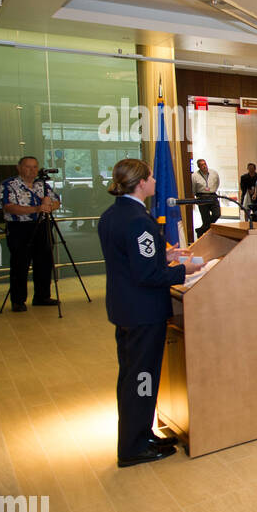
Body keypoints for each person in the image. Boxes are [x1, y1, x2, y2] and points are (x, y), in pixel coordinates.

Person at [98, 158, 201, 467]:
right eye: (152, 177)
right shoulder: (139, 220)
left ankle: (142, 433)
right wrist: (183, 270)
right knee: (141, 378)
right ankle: (133, 447)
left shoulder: (113, 214)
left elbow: (129, 259)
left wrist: (163, 255)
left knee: (132, 376)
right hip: (143, 312)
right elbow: (147, 275)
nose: (156, 181)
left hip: (125, 308)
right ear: (140, 183)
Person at [1, 155, 62, 311]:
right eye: (28, 167)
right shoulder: (9, 184)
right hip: (19, 228)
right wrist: (36, 209)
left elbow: (57, 201)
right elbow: (9, 207)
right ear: (19, 168)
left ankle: (42, 296)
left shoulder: (42, 184)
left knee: (44, 262)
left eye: (35, 167)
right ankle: (18, 301)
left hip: (42, 226)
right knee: (20, 264)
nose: (32, 170)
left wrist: (50, 206)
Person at [191, 158, 220, 237]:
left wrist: (213, 190)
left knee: (217, 214)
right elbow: (193, 187)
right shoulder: (194, 176)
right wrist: (195, 197)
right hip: (202, 196)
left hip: (213, 195)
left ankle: (201, 230)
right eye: (201, 165)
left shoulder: (214, 173)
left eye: (205, 164)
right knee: (205, 218)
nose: (204, 166)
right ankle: (207, 234)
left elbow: (217, 183)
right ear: (198, 167)